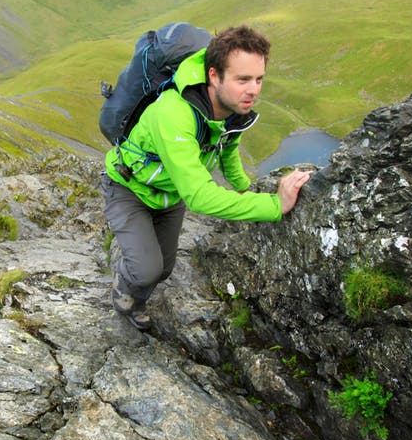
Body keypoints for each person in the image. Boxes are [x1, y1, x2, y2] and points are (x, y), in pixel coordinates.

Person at [101, 25, 311, 329]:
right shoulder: (173, 114)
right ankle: (124, 291)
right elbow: (198, 197)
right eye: (242, 79)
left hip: (169, 194)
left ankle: (138, 289)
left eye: (258, 79)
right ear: (214, 75)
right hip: (128, 188)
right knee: (147, 269)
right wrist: (273, 204)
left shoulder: (233, 107)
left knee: (165, 269)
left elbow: (228, 149)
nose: (253, 90)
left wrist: (246, 187)